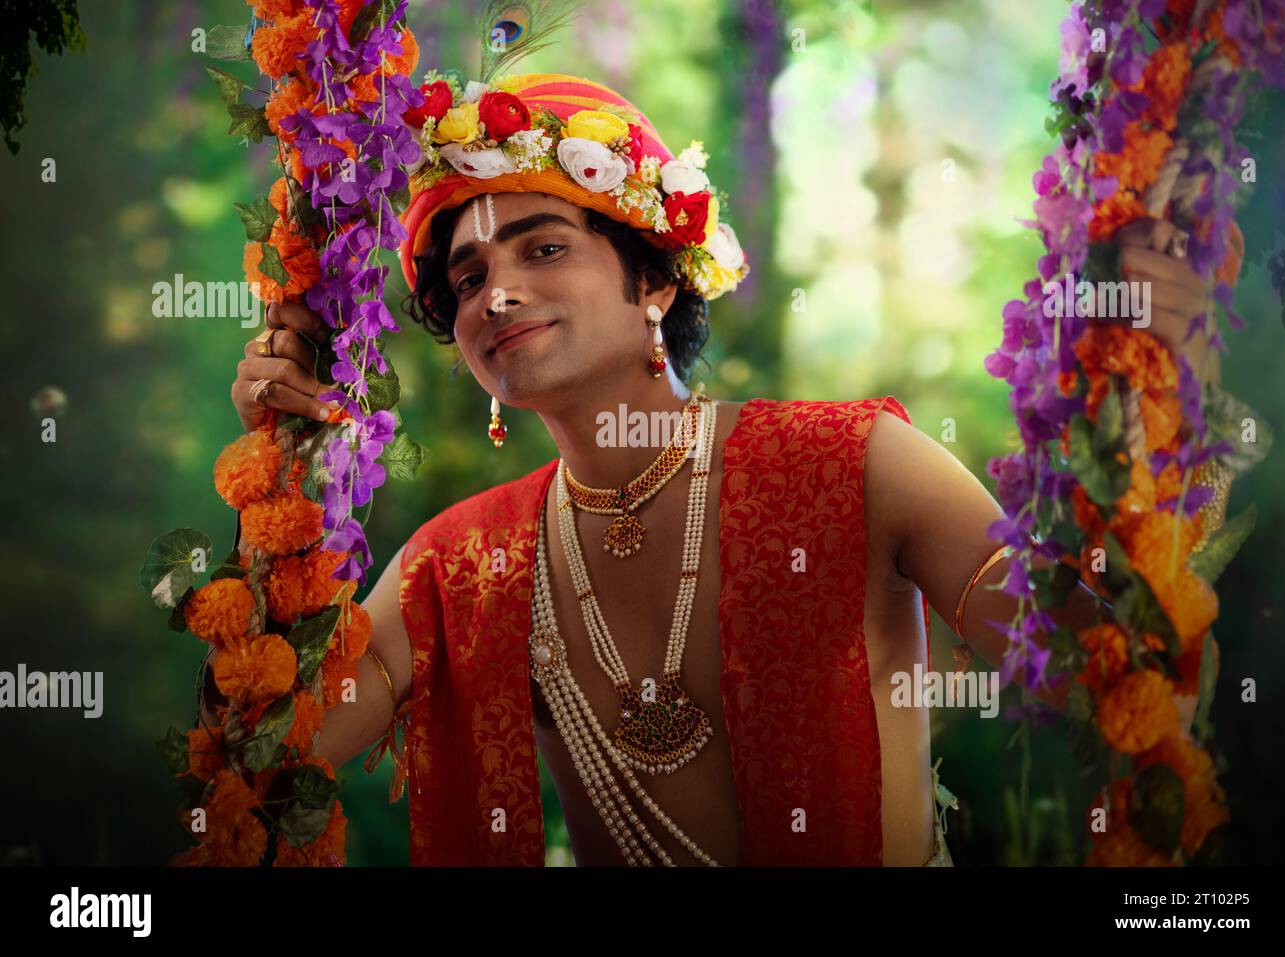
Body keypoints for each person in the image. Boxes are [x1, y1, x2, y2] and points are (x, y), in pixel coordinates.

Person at [227, 72, 1229, 866]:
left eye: (542, 248)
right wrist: (281, 476)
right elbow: (277, 756)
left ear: (656, 280)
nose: (498, 295)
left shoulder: (855, 462)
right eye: (470, 277)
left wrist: (1140, 405)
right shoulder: (458, 560)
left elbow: (1093, 664)